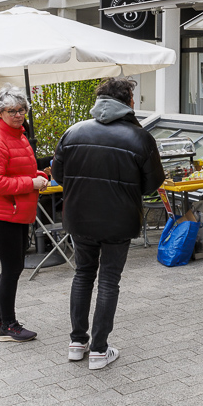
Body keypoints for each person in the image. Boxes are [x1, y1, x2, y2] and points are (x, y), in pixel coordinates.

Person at [51, 77, 164, 370]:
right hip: (118, 219)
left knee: (83, 275)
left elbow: (58, 175)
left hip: (79, 216)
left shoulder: (73, 131)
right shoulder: (140, 137)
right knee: (109, 280)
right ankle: (99, 350)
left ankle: (77, 343)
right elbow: (153, 182)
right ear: (128, 101)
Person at [0, 85, 47, 343]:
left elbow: (19, 170)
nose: (18, 115)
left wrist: (37, 176)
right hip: (3, 213)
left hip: (17, 212)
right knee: (12, 268)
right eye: (12, 111)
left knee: (13, 267)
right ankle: (8, 325)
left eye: (22, 110)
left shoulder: (19, 136)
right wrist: (31, 183)